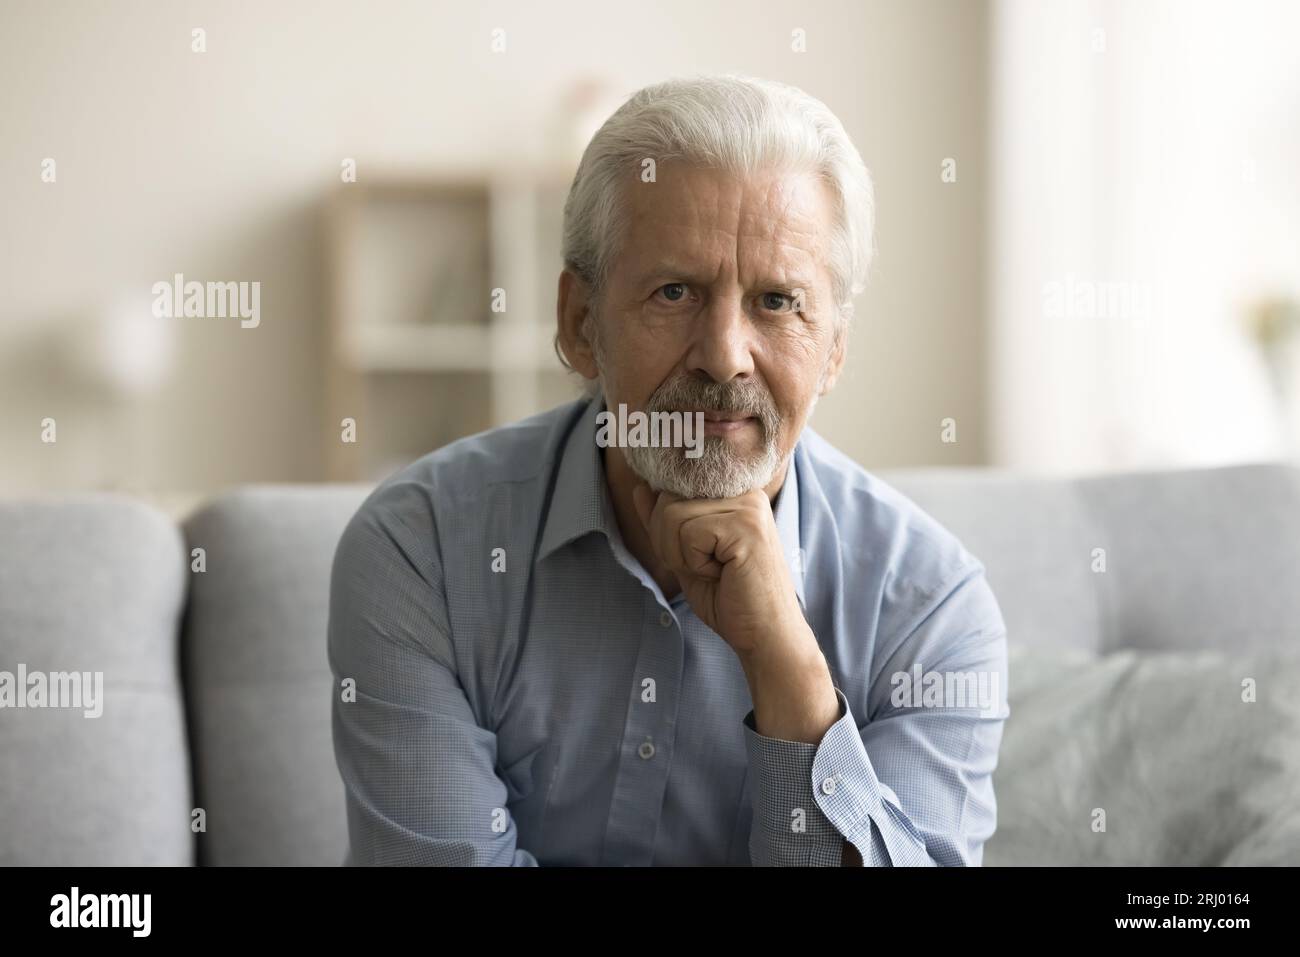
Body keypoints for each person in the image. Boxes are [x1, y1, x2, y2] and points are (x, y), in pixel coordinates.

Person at [328, 73, 1008, 866]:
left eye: (779, 302)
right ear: (580, 324)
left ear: (835, 350)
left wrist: (788, 667)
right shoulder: (424, 550)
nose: (725, 356)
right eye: (675, 291)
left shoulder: (931, 610)